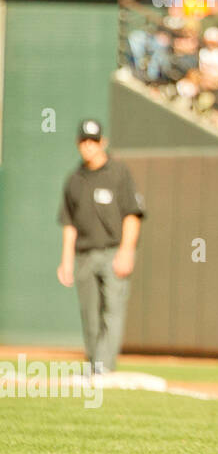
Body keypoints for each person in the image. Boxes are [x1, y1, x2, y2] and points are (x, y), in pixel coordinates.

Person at [56, 120, 145, 374]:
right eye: (84, 142)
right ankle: (95, 365)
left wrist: (127, 250)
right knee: (90, 316)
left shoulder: (119, 173)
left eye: (93, 141)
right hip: (84, 254)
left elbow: (132, 214)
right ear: (78, 144)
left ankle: (104, 367)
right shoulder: (74, 179)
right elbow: (69, 223)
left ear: (102, 142)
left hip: (112, 251)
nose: (89, 147)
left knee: (112, 311)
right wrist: (66, 260)